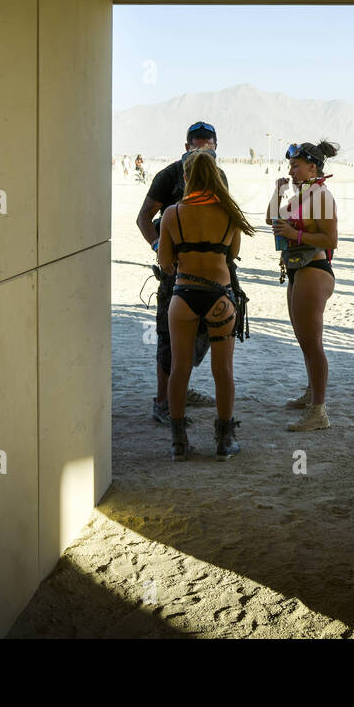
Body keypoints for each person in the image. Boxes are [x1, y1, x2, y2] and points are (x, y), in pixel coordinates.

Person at [157, 149, 254, 460]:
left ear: (186, 177)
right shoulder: (229, 213)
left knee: (180, 369)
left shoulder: (172, 214)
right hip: (220, 298)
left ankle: (178, 443)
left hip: (183, 296)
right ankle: (225, 441)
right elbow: (231, 254)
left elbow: (165, 262)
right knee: (223, 371)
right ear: (215, 177)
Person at [136, 122, 227, 427]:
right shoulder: (169, 175)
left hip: (214, 279)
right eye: (198, 147)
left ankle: (180, 391)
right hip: (176, 278)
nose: (204, 152)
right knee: (168, 338)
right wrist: (161, 247)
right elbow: (144, 217)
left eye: (209, 147)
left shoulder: (219, 177)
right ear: (187, 147)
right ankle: (163, 401)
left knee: (204, 339)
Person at [268, 141, 339, 431]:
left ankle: (318, 412)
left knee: (313, 343)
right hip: (298, 270)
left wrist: (295, 235)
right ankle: (312, 393)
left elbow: (331, 241)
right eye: (290, 166)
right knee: (303, 339)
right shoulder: (302, 195)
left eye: (296, 165)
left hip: (314, 269)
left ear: (313, 166)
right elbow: (271, 220)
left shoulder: (321, 195)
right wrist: (278, 192)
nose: (291, 170)